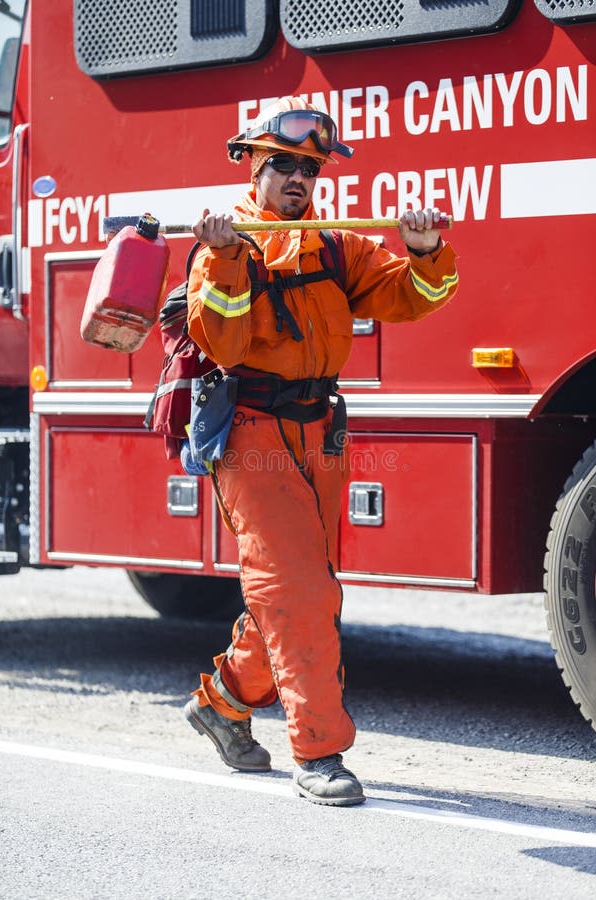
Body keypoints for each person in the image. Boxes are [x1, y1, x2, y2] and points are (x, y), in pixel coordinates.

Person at [183, 96, 458, 806]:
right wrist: (223, 259)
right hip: (251, 433)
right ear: (252, 164)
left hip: (319, 433)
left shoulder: (338, 246)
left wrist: (426, 252)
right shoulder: (225, 244)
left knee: (306, 592)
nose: (300, 177)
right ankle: (319, 752)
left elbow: (411, 296)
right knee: (298, 593)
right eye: (284, 163)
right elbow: (225, 344)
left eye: (310, 167)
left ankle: (222, 703)